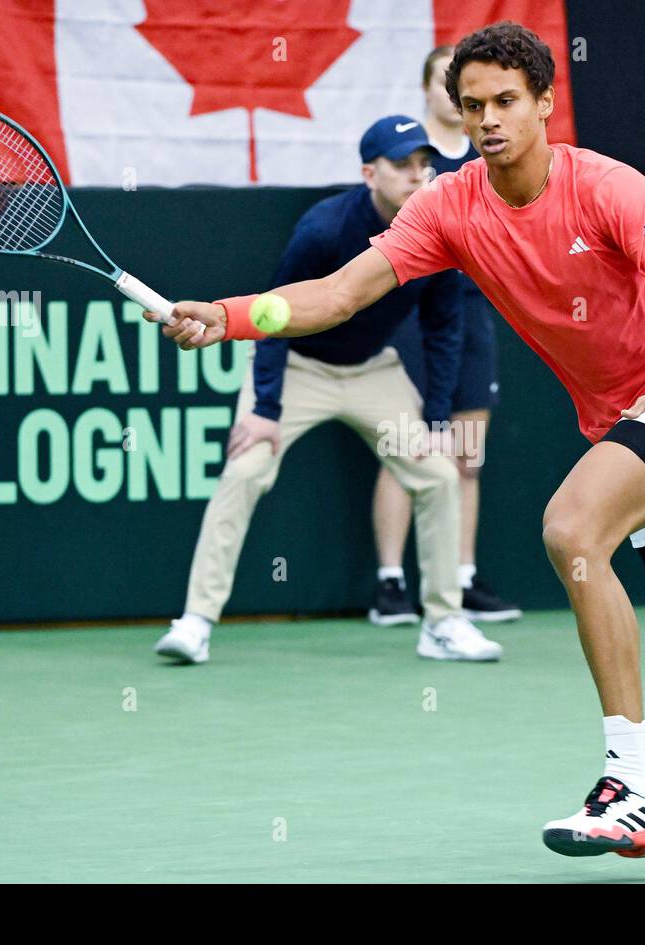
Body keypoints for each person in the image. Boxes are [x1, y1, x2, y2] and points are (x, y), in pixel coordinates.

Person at [147, 22, 645, 854]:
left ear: (545, 102)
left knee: (573, 530)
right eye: (472, 107)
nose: (489, 120)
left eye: (507, 101)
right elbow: (336, 295)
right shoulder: (448, 206)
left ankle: (631, 787)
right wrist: (226, 317)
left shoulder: (604, 187)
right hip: (627, 421)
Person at [151, 115, 503, 665]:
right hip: (298, 371)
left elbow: (443, 332)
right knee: (244, 471)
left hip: (372, 372)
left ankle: (443, 623)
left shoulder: (441, 236)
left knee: (438, 475)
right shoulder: (323, 229)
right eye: (401, 165)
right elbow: (271, 314)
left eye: (423, 164)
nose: (417, 176)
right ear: (369, 173)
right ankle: (195, 622)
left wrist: (436, 422)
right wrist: (265, 409)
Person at [371, 46, 522, 626]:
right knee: (405, 447)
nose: (464, 94)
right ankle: (391, 583)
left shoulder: (490, 154)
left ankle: (460, 578)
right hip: (411, 312)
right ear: (434, 91)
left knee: (466, 454)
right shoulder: (409, 155)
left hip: (471, 310)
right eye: (450, 83)